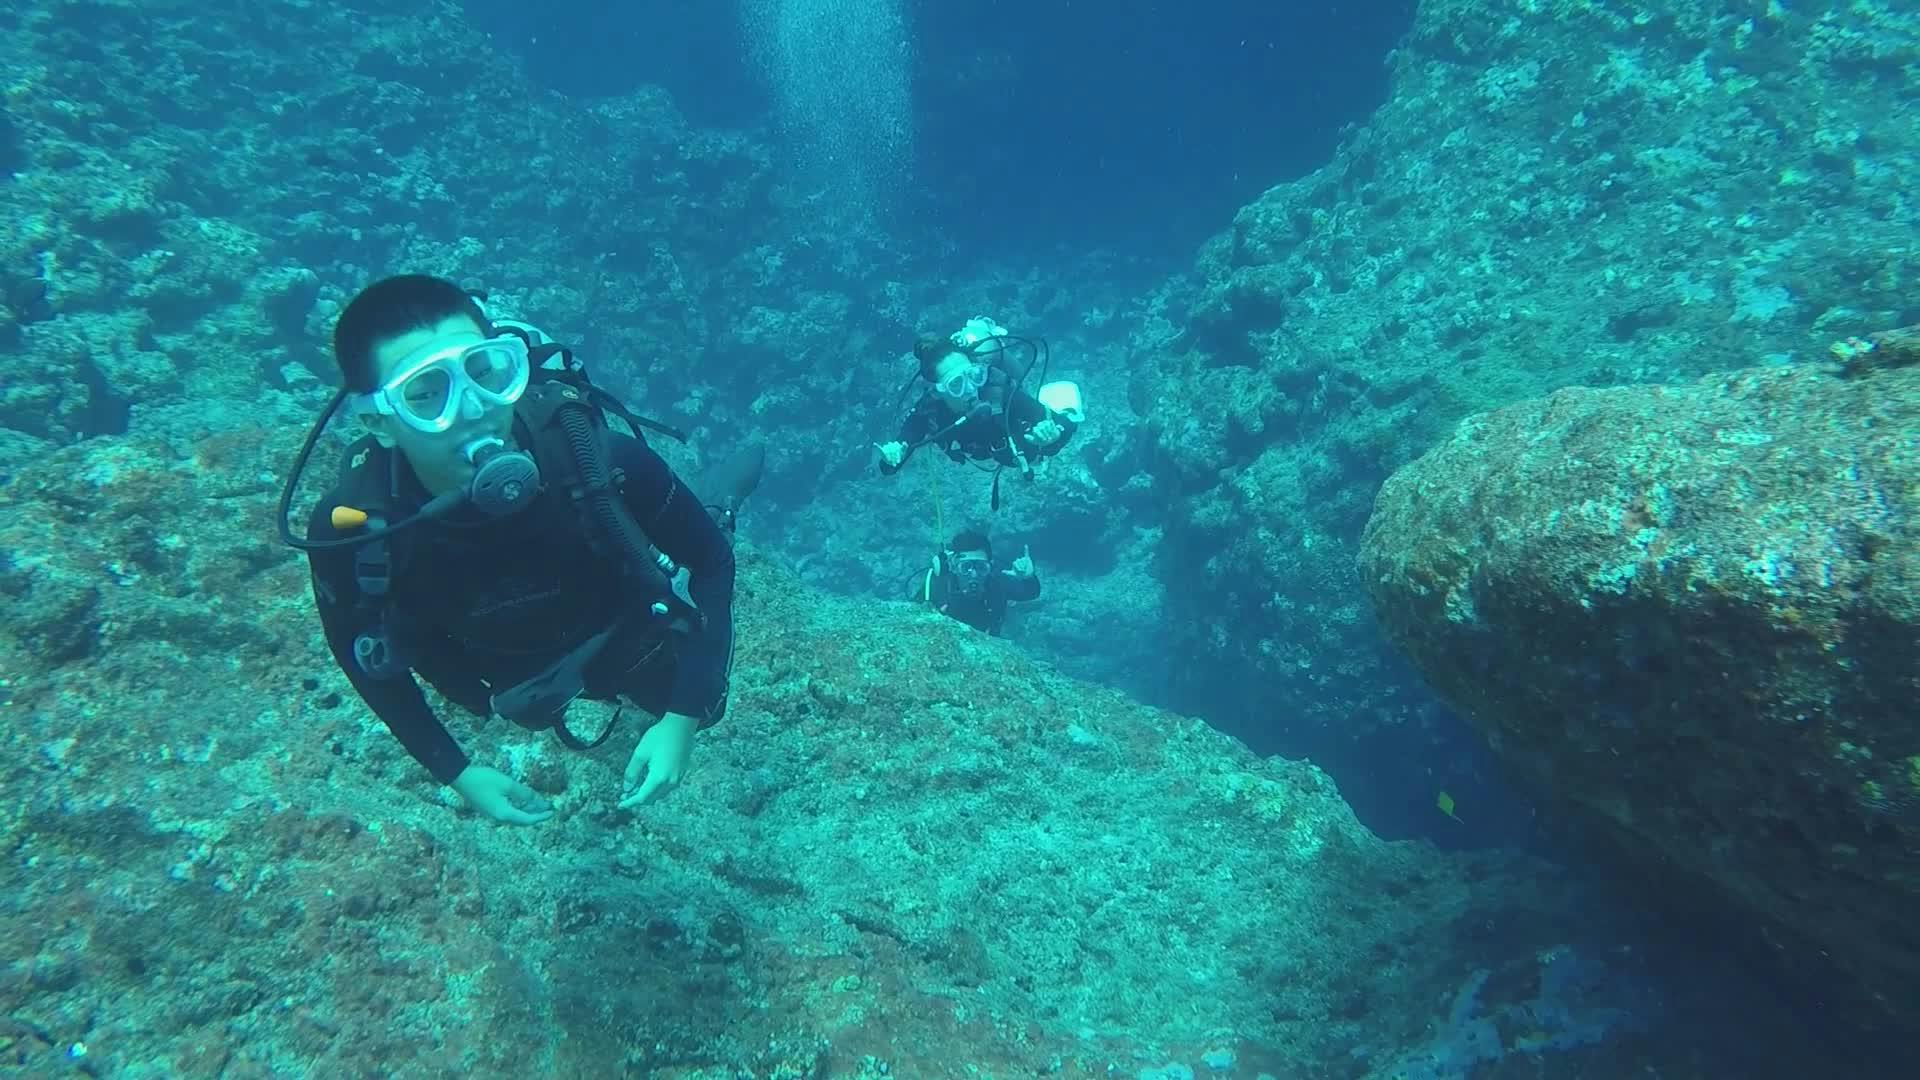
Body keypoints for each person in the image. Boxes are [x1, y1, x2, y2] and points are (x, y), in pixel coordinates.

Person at [276, 274, 760, 826]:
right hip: (508, 669)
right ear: (379, 423)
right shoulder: (353, 530)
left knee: (708, 705)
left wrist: (681, 719)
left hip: (617, 629)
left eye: (486, 373)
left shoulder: (598, 459)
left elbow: (713, 561)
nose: (474, 410)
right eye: (427, 393)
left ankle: (719, 506)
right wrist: (455, 770)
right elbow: (360, 656)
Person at [874, 316, 1082, 490]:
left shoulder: (999, 391)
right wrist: (891, 456)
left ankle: (987, 333)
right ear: (939, 392)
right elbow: (891, 465)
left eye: (974, 375)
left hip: (1013, 444)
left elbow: (1067, 425)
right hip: (990, 452)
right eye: (957, 384)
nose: (971, 388)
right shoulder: (929, 411)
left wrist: (1052, 438)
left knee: (1036, 447)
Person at [910, 528, 1040, 637]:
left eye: (981, 567)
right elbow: (912, 616)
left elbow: (1031, 593)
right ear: (954, 567)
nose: (973, 574)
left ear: (990, 566)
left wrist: (1029, 577)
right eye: (965, 567)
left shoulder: (997, 585)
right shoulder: (938, 585)